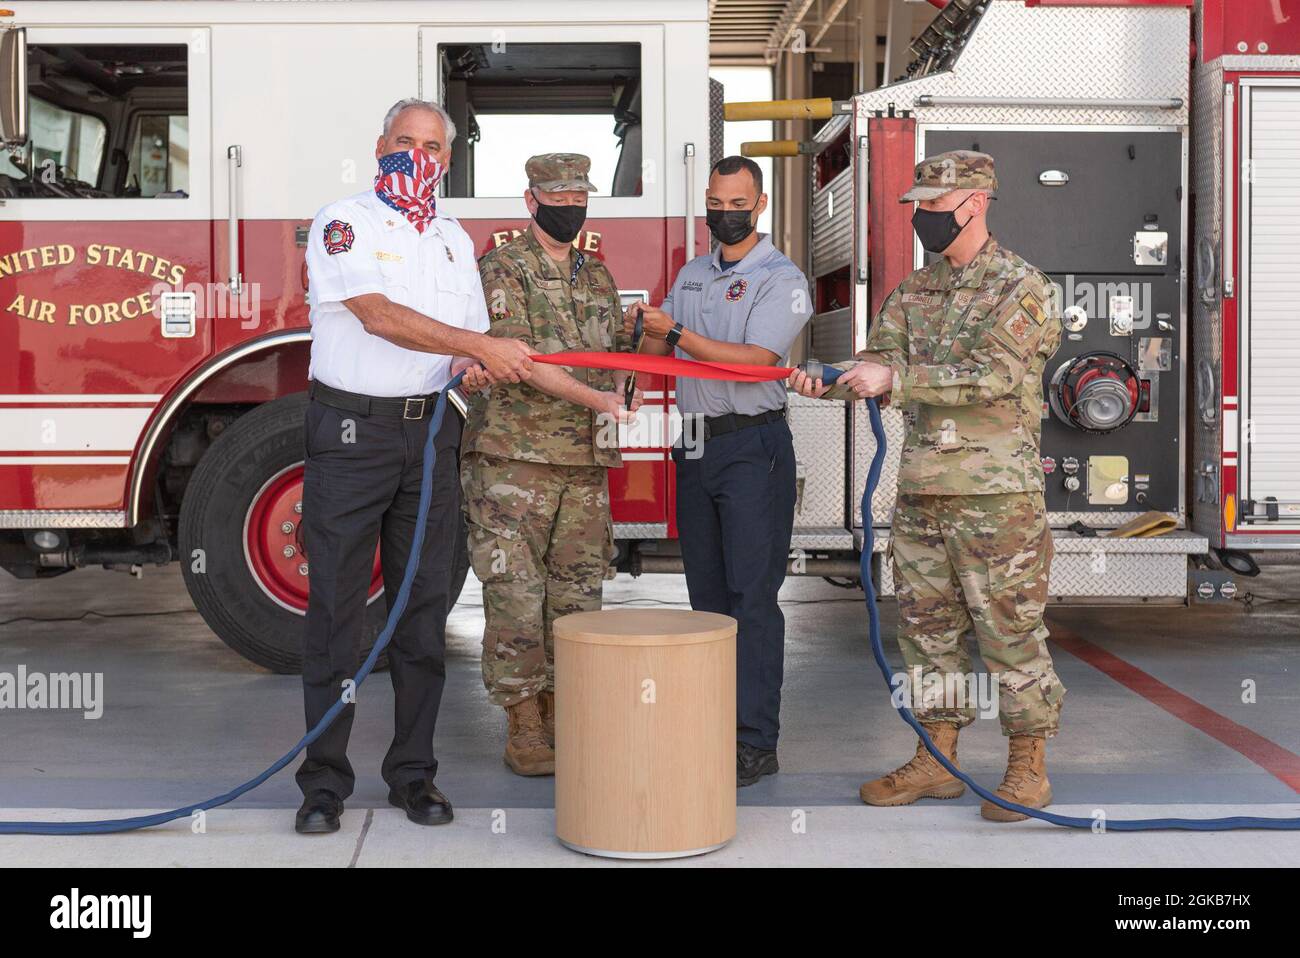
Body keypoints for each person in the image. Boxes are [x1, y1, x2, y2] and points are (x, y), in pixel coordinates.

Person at [789, 150, 1065, 821]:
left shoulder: (1023, 287)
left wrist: (897, 380)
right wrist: (830, 382)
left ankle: (1028, 766)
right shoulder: (914, 292)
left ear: (975, 203)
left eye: (936, 208)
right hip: (922, 496)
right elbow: (881, 362)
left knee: (1009, 632)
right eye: (919, 208)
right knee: (927, 632)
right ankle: (937, 758)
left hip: (995, 499)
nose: (924, 220)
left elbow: (993, 375)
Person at [295, 98, 532, 834]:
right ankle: (323, 784)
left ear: (447, 159)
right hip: (350, 433)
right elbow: (375, 313)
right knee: (336, 612)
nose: (418, 157)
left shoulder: (456, 242)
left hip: (428, 436)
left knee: (423, 615)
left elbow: (469, 345)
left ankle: (413, 775)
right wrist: (476, 344)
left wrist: (478, 363)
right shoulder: (345, 222)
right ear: (380, 146)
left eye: (432, 147)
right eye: (405, 142)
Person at [625, 155, 812, 787]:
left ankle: (757, 742)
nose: (724, 214)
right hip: (695, 447)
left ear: (759, 206)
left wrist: (674, 329)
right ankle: (713, 724)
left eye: (738, 204)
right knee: (705, 598)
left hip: (750, 448)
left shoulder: (781, 279)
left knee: (751, 599)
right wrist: (643, 330)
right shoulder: (693, 274)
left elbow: (756, 362)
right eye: (716, 202)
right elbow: (655, 356)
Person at [461, 153, 640, 777]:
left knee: (579, 593)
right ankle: (525, 721)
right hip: (516, 460)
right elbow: (520, 362)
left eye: (578, 195)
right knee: (515, 594)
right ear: (531, 201)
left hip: (583, 463)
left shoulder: (597, 276)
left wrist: (643, 355)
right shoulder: (502, 269)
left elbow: (616, 354)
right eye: (556, 196)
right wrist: (600, 399)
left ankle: (569, 709)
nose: (570, 205)